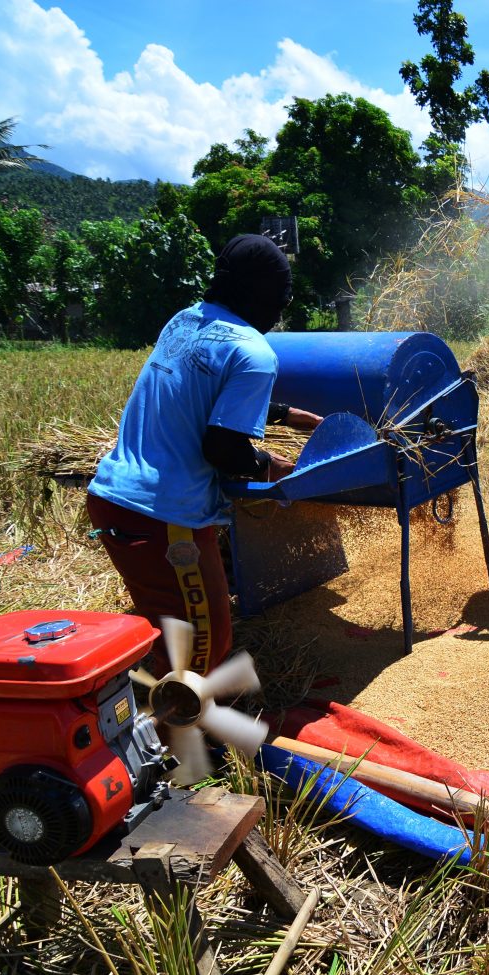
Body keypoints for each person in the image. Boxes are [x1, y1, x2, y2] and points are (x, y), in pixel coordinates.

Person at [87, 234, 322, 673]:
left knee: (163, 633)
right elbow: (222, 448)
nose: (279, 312)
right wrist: (274, 468)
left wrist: (288, 414)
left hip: (111, 501)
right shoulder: (255, 352)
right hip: (163, 518)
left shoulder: (184, 320)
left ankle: (144, 726)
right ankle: (178, 735)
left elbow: (201, 390)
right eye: (280, 298)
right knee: (202, 648)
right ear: (265, 294)